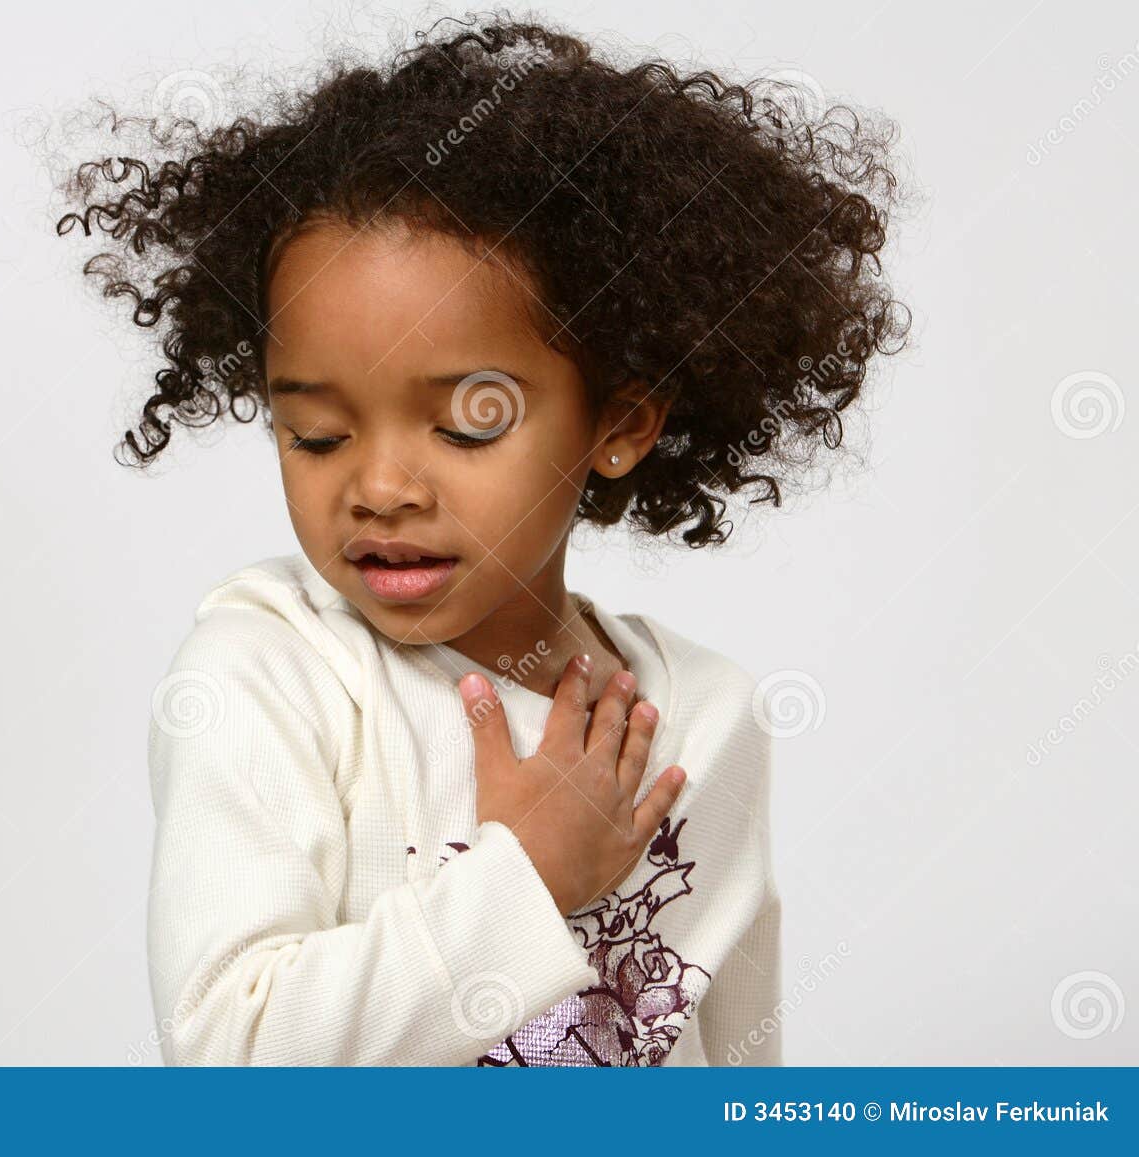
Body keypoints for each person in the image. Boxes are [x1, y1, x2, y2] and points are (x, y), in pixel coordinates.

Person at [59, 14, 910, 1065]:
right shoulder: (270, 677)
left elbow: (735, 1053)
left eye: (467, 423)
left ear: (619, 425)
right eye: (316, 433)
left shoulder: (706, 717)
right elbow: (230, 1055)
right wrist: (525, 873)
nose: (377, 487)